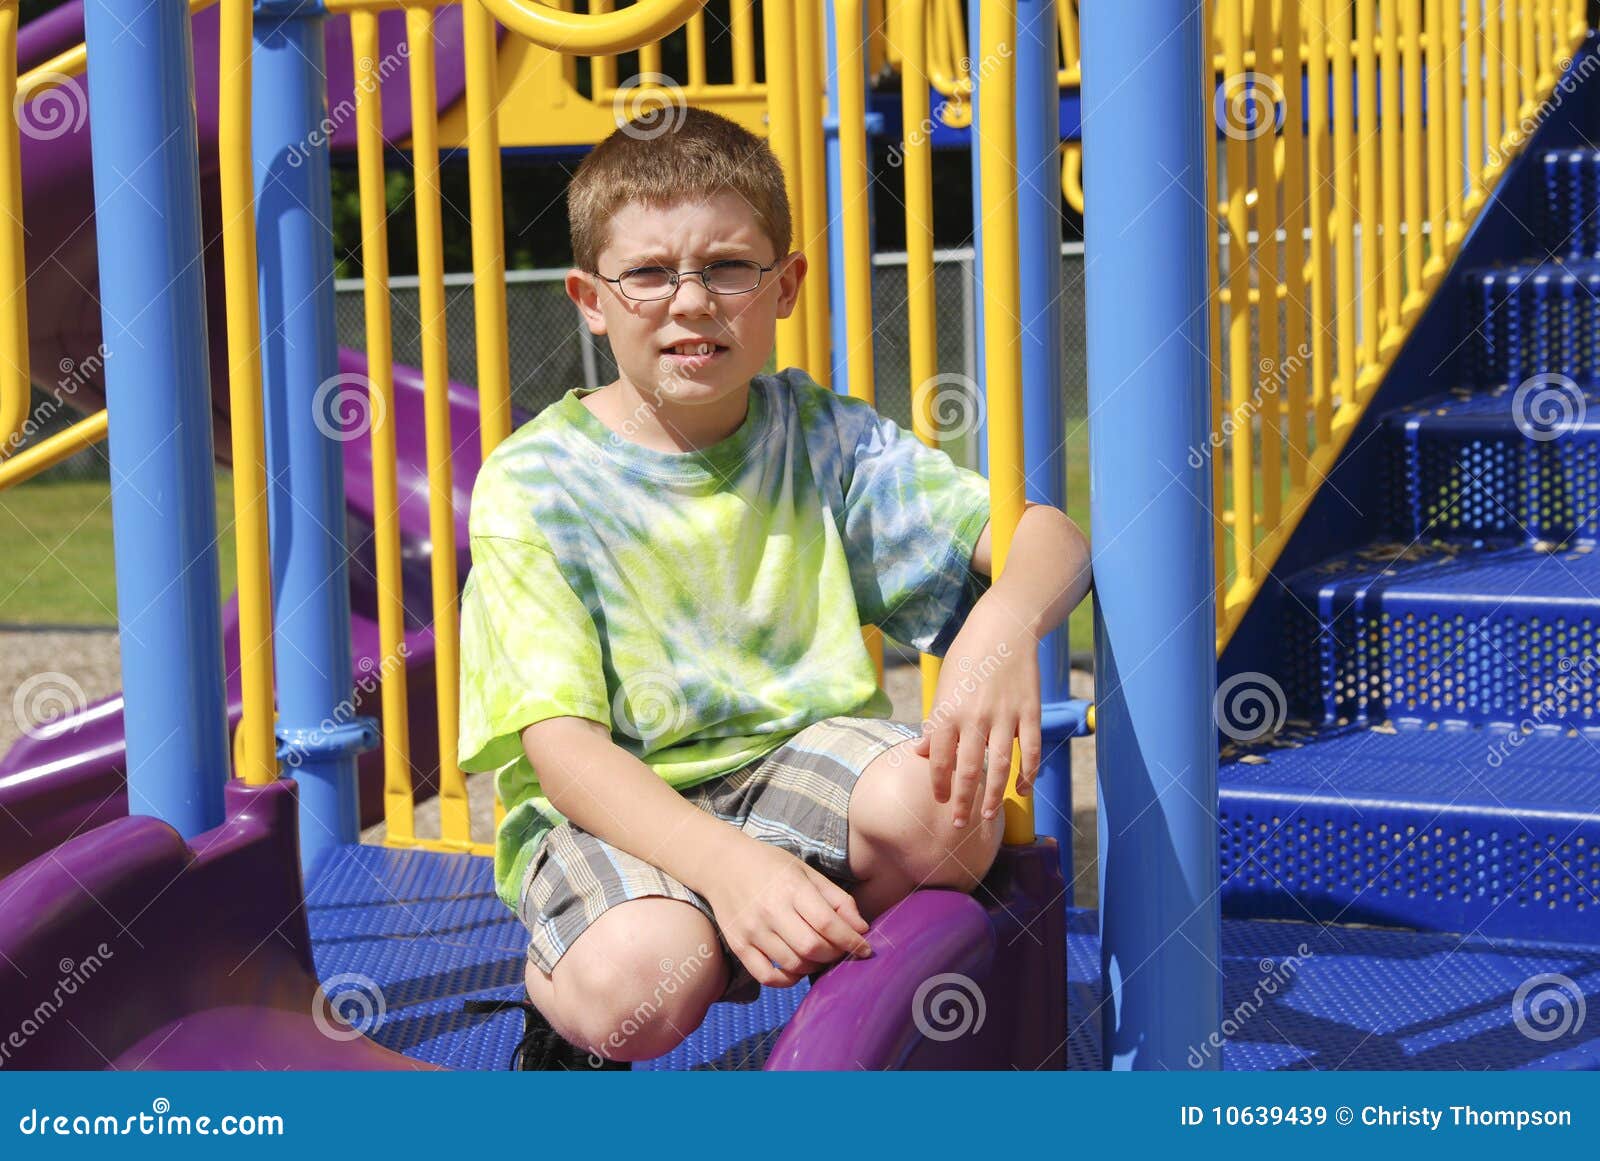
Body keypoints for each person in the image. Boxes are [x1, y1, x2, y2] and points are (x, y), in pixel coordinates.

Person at [457, 107, 1091, 1069]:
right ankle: (584, 1002)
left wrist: (1000, 626)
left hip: (791, 764)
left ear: (786, 284)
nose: (692, 300)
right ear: (590, 297)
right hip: (619, 799)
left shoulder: (823, 436)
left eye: (728, 267)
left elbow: (1050, 537)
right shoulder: (533, 482)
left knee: (951, 812)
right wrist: (726, 864)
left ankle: (814, 964)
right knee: (639, 982)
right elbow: (562, 749)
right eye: (648, 273)